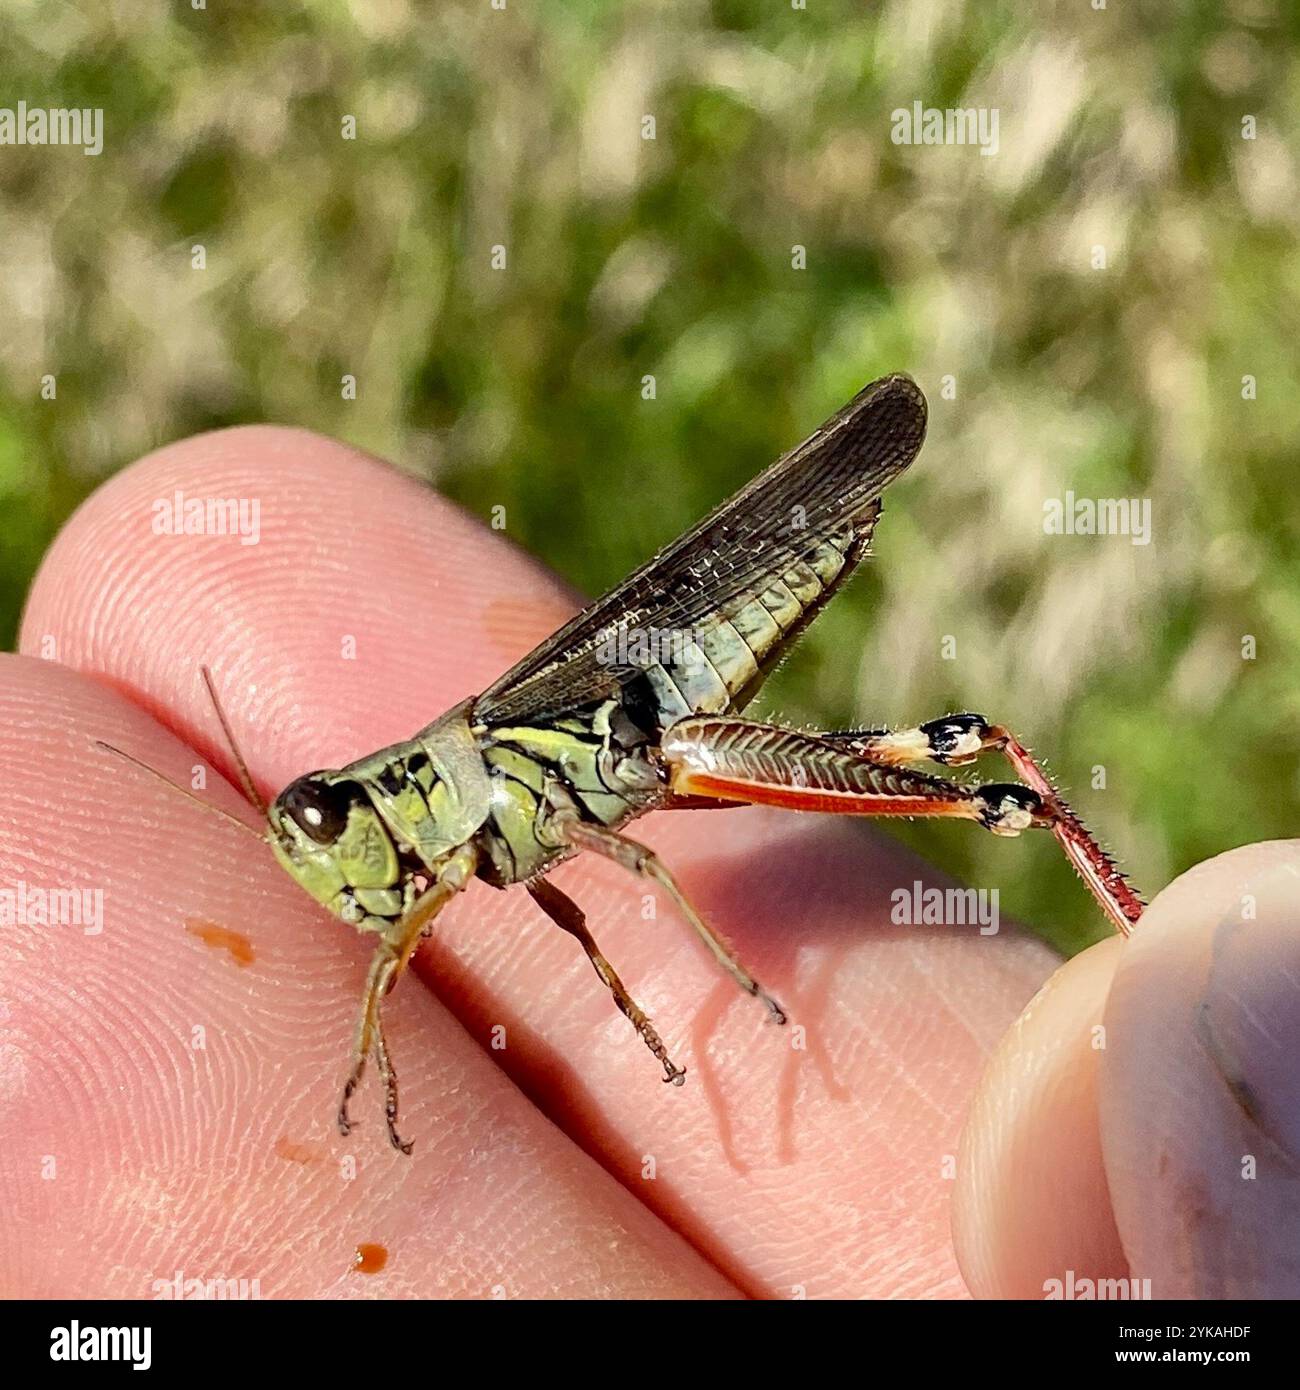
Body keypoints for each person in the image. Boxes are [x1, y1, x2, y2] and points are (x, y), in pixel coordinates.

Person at [2, 426, 1295, 1299]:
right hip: (654, 752)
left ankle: (1170, 981)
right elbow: (514, 916)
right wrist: (368, 1053)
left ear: (389, 787)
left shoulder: (475, 762)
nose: (346, 854)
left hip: (670, 695)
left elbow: (635, 865)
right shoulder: (437, 860)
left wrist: (734, 983)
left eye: (334, 815)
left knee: (987, 778)